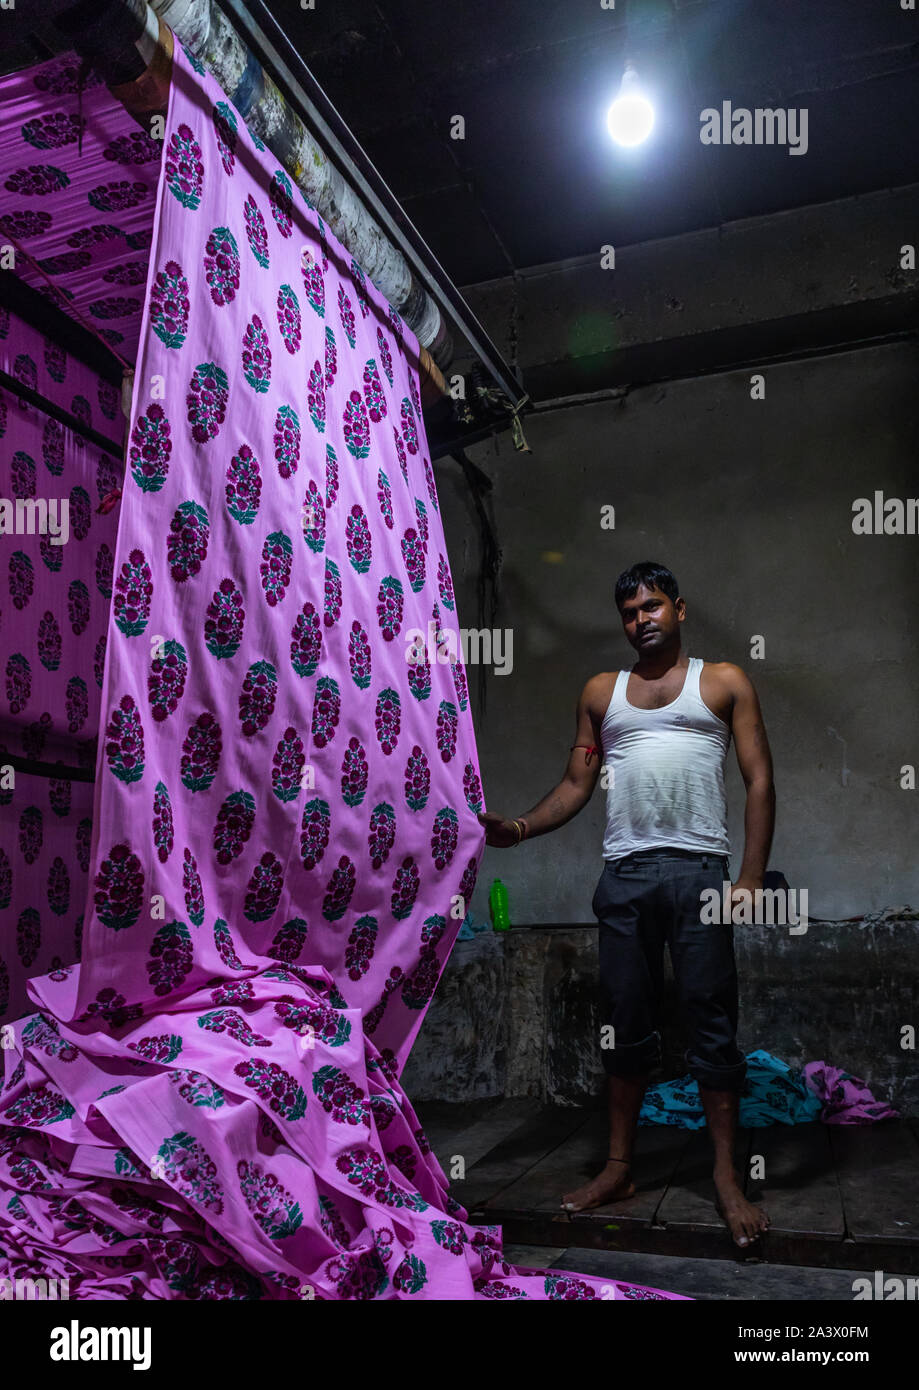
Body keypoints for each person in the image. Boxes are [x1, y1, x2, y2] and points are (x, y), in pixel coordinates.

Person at [478, 561, 774, 1248]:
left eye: (652, 607)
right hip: (625, 878)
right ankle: (618, 1168)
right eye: (628, 611)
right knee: (622, 1020)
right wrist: (520, 827)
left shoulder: (723, 681)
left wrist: (750, 879)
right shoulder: (599, 692)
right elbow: (576, 783)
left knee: (709, 1019)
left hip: (700, 873)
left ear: (678, 608)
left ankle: (726, 1178)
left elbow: (759, 781)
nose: (640, 619)